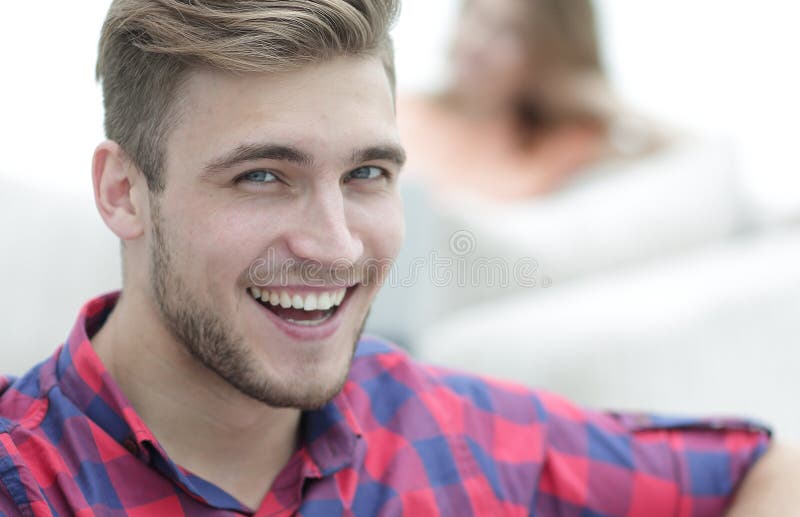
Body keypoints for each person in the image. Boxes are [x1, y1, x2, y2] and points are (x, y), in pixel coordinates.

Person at [0, 1, 796, 515]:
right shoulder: (25, 479)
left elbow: (761, 468)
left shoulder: (446, 429)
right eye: (263, 176)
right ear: (123, 193)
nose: (337, 244)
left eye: (367, 174)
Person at [399, 0, 664, 201]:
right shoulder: (401, 110)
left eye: (510, 32)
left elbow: (679, 165)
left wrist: (592, 94)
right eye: (478, 17)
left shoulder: (560, 144)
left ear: (548, 52)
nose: (479, 43)